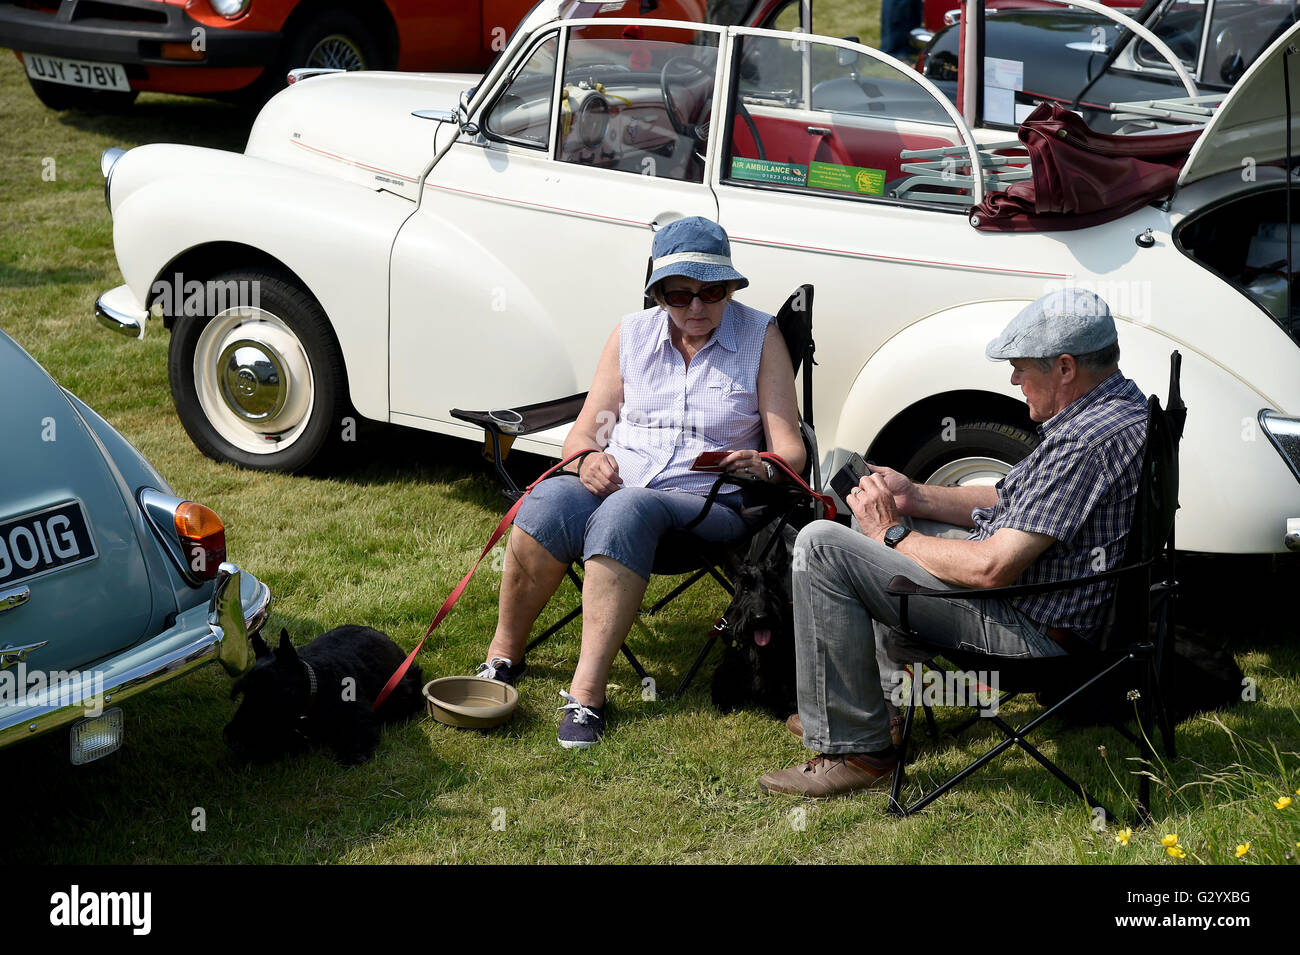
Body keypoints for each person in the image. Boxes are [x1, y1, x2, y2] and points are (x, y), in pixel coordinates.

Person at [759, 287, 1148, 798]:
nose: (1014, 380)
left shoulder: (1083, 441)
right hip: (1049, 609)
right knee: (862, 524)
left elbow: (992, 568)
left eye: (1022, 367)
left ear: (1067, 368)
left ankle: (859, 749)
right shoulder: (1120, 407)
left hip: (1028, 632)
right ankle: (880, 713)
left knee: (823, 544)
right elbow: (1012, 497)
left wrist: (892, 535)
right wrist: (915, 496)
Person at [476, 217, 805, 749]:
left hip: (709, 503)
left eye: (711, 292)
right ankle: (502, 657)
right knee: (548, 501)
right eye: (679, 294)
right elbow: (585, 432)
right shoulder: (631, 333)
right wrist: (585, 461)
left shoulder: (760, 336)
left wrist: (761, 464)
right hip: (620, 479)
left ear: (731, 288)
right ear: (658, 293)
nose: (696, 306)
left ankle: (586, 696)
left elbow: (791, 448)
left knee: (625, 510)